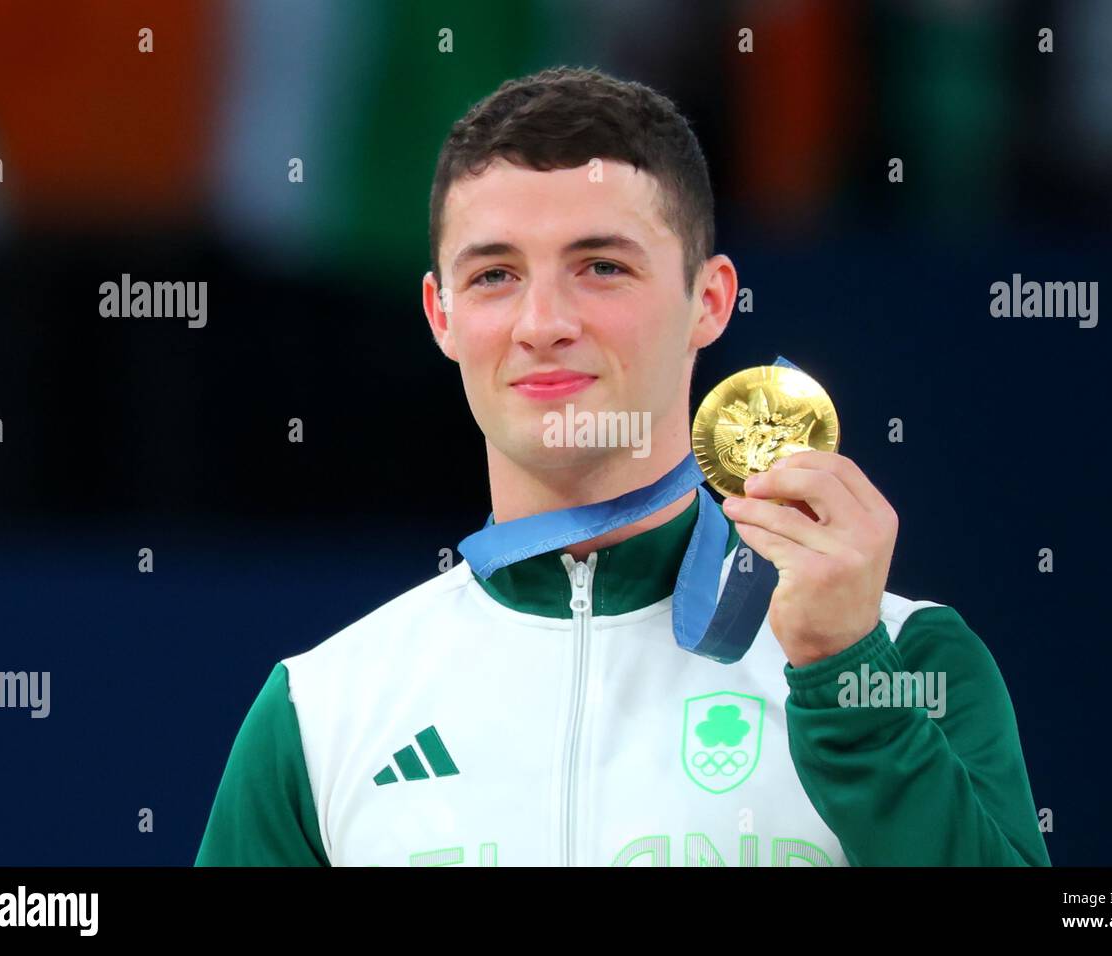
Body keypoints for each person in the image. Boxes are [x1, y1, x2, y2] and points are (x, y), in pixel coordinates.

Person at [195, 65, 1050, 867]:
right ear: (441, 315)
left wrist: (841, 668)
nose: (542, 322)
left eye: (601, 267)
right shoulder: (319, 715)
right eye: (494, 275)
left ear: (709, 301)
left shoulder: (907, 662)